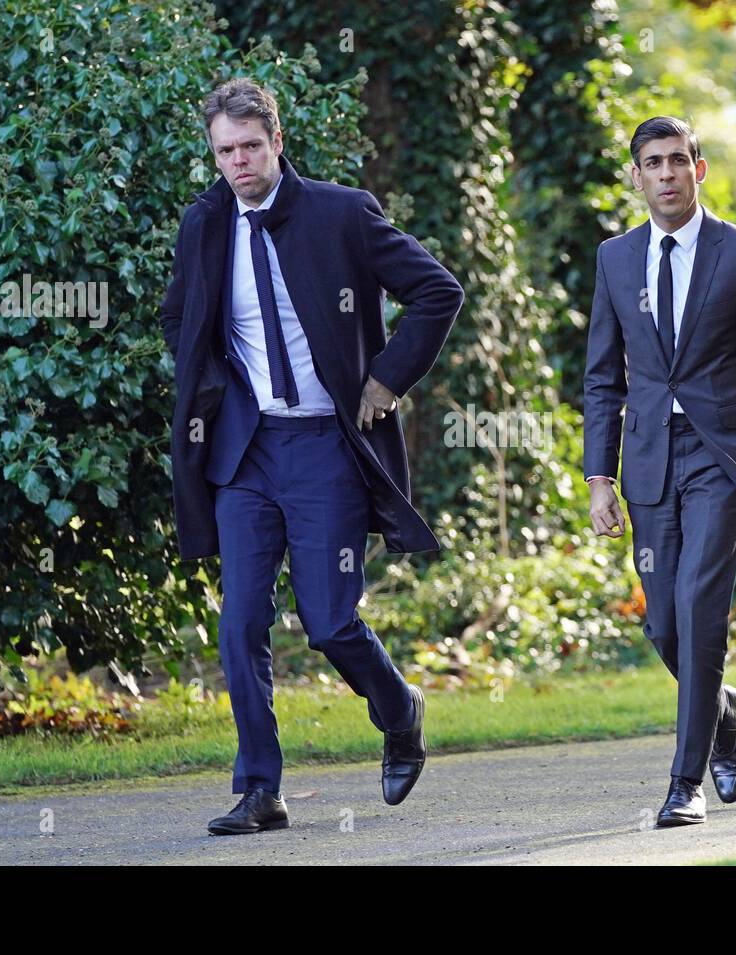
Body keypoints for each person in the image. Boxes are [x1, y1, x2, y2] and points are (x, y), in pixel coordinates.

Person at [158, 78, 464, 835]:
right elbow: (179, 318)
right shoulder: (203, 225)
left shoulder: (342, 213)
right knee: (240, 623)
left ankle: (399, 708)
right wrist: (218, 392)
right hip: (247, 451)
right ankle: (260, 786)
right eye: (225, 150)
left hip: (327, 443)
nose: (238, 163)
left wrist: (384, 380)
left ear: (277, 140)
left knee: (328, 622)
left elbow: (437, 292)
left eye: (250, 146)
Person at [582, 116, 736, 827]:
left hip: (720, 456)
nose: (665, 175)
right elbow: (601, 378)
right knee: (661, 623)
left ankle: (685, 782)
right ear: (636, 175)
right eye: (651, 163)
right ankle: (723, 708)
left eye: (677, 161)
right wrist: (598, 475)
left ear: (699, 169)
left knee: (699, 606)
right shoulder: (615, 260)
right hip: (650, 461)